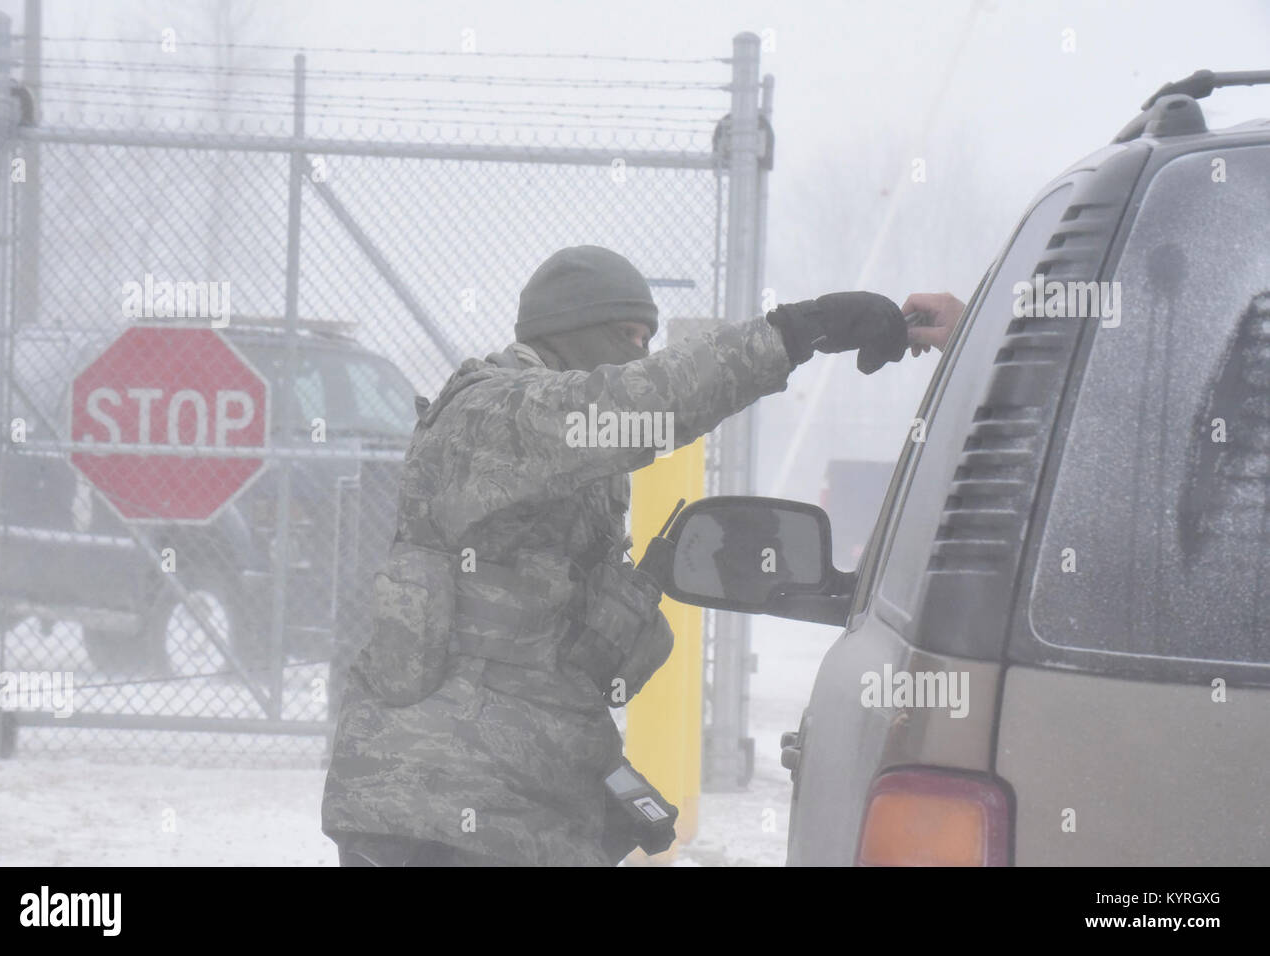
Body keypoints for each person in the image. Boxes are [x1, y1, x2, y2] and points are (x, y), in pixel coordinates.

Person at [321, 245, 964, 866]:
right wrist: (801, 331)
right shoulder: (495, 412)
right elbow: (639, 402)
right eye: (629, 334)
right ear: (569, 330)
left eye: (646, 339)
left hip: (517, 807)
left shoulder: (562, 453)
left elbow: (558, 649)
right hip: (437, 808)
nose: (640, 353)